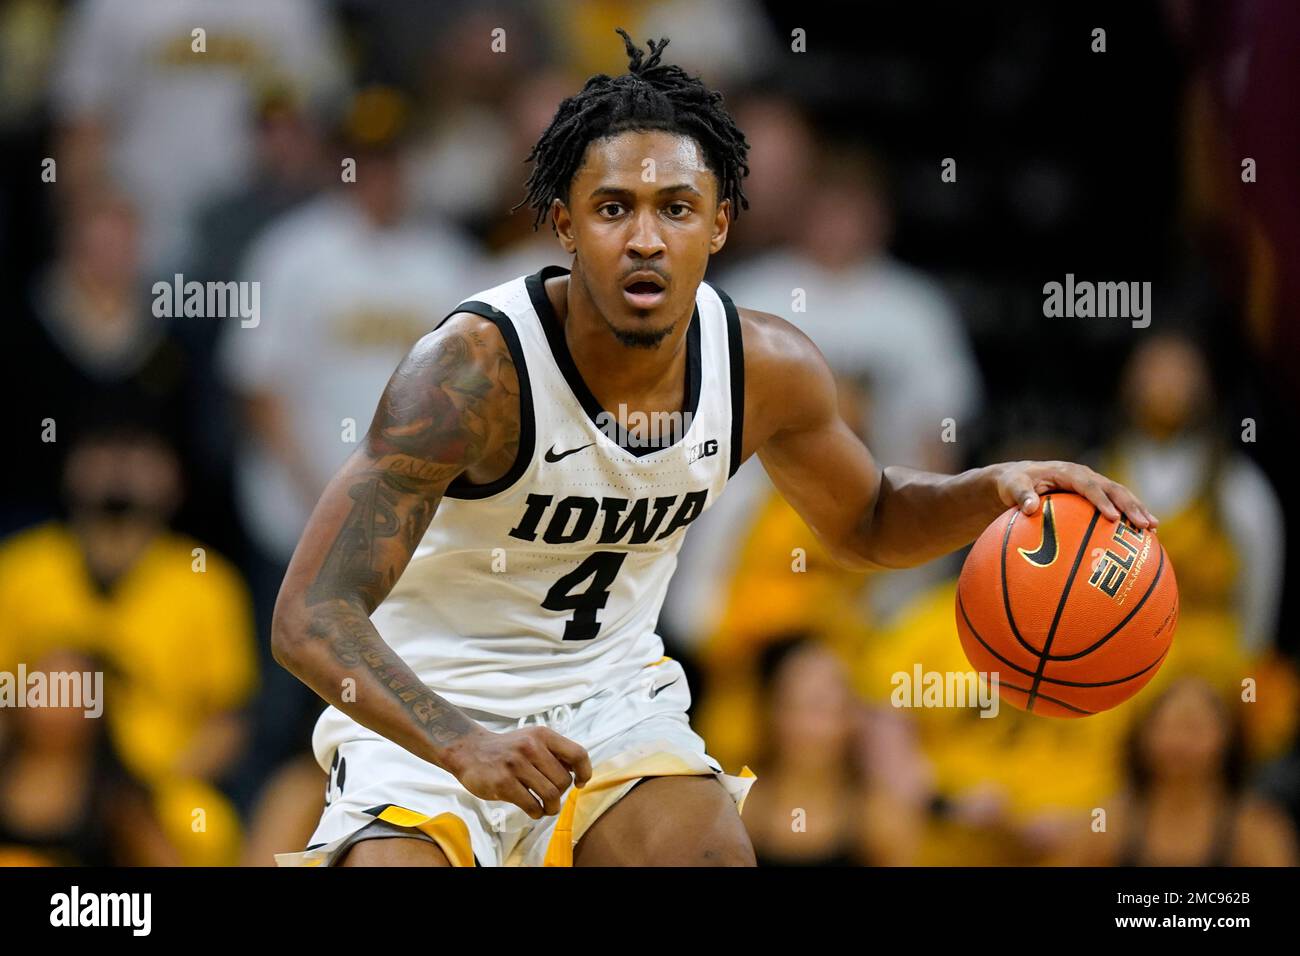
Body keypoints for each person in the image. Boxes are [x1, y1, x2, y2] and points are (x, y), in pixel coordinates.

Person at [271, 29, 1156, 868]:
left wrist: (992, 489)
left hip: (606, 698)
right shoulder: (470, 373)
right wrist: (461, 742)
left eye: (677, 208)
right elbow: (310, 615)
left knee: (707, 854)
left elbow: (872, 520)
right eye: (614, 208)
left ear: (721, 224)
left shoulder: (767, 368)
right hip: (433, 705)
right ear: (565, 224)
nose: (647, 238)